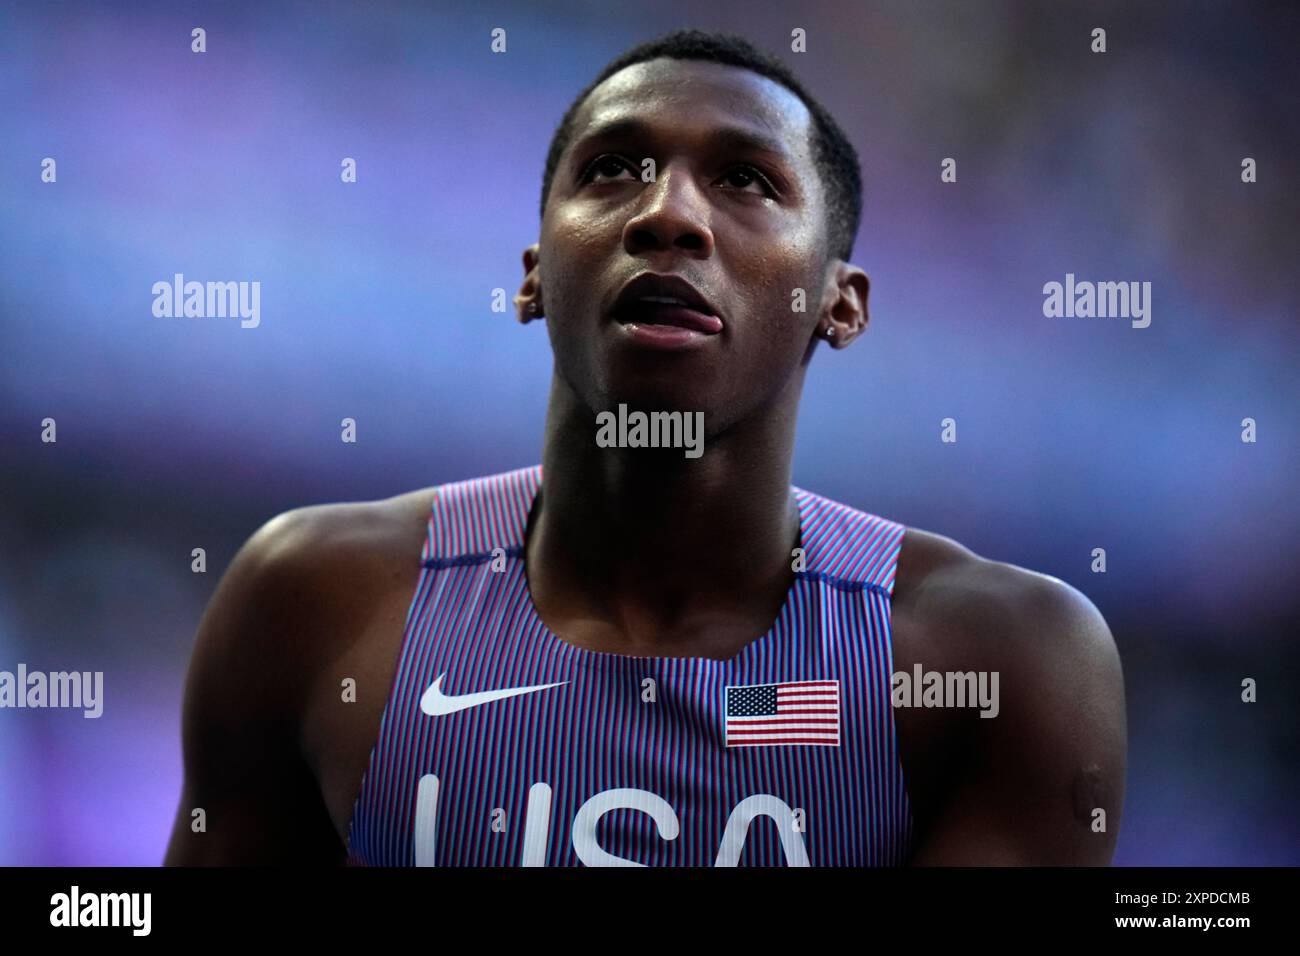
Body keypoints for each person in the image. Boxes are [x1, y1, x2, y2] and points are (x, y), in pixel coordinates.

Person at [164, 29, 1126, 866]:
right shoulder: (313, 601)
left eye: (746, 179)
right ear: (535, 274)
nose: (667, 215)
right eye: (612, 169)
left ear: (841, 301)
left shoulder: (1005, 667)